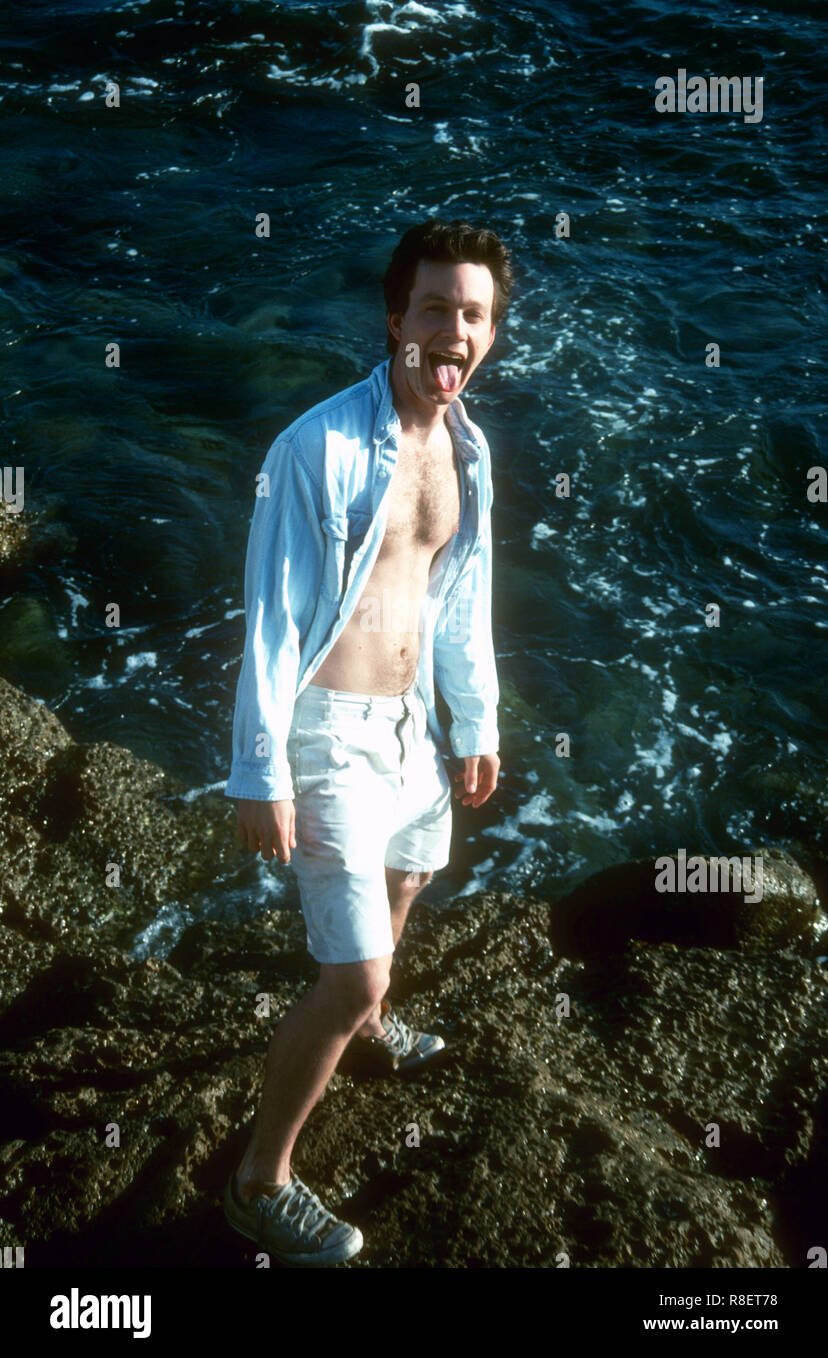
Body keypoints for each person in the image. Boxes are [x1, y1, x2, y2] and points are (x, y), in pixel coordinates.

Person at [222, 218, 512, 1266]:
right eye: (433, 308)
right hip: (329, 734)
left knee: (414, 868)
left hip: (409, 729)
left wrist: (472, 718)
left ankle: (374, 1020)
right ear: (396, 319)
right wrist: (261, 770)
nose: (452, 330)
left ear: (491, 332)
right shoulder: (317, 448)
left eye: (472, 313)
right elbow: (273, 613)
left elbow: (461, 596)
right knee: (350, 977)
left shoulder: (468, 447)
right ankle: (261, 1182)